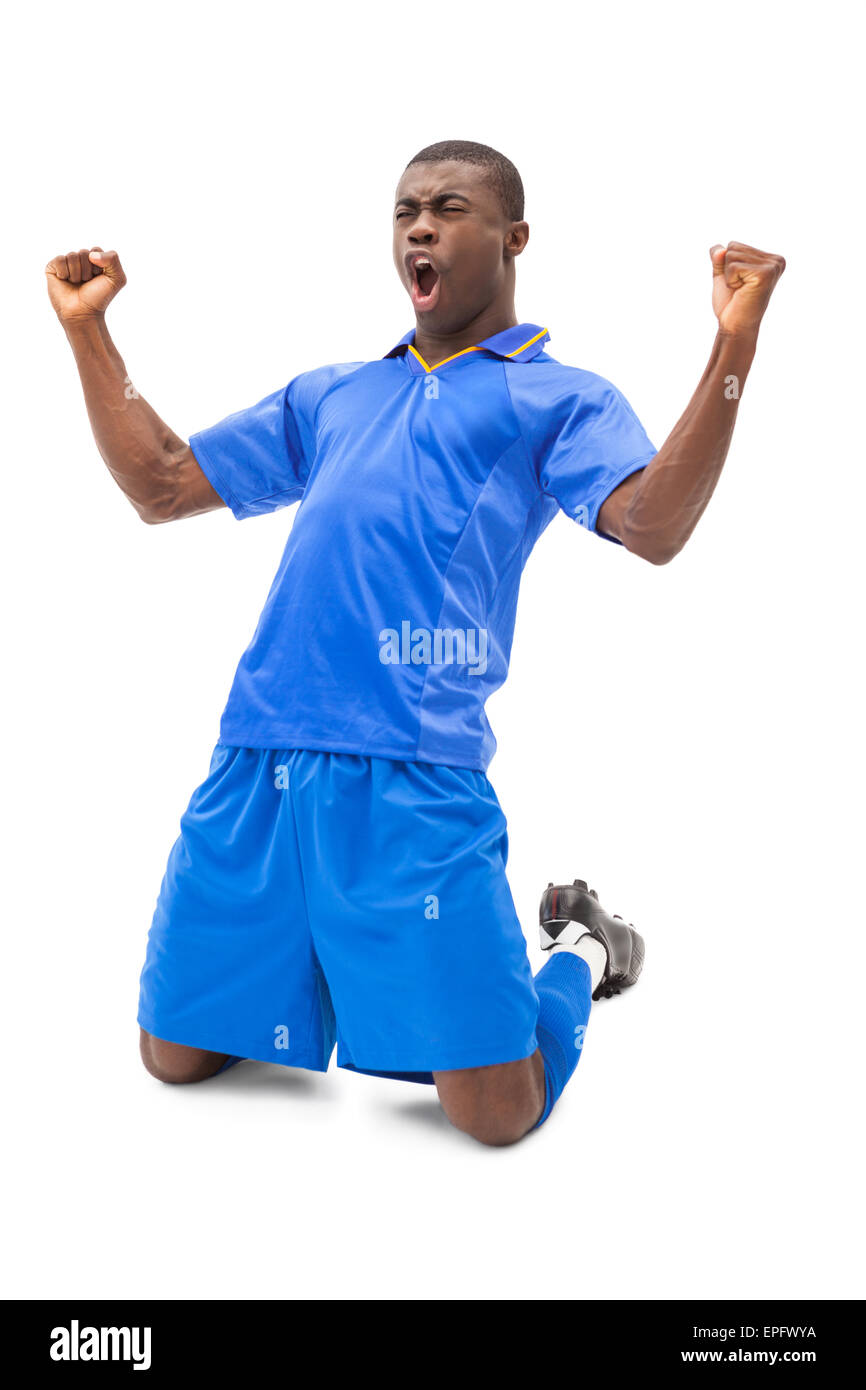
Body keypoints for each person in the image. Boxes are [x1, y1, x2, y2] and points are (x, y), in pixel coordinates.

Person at [46, 140, 785, 1145]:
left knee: (494, 1112)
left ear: (513, 237)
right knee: (173, 1058)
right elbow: (162, 483)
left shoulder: (555, 397)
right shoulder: (334, 392)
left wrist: (731, 349)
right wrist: (92, 334)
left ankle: (579, 946)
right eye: (404, 212)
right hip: (258, 760)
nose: (419, 227)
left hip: (414, 777)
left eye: (447, 207)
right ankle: (360, 976)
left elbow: (652, 526)